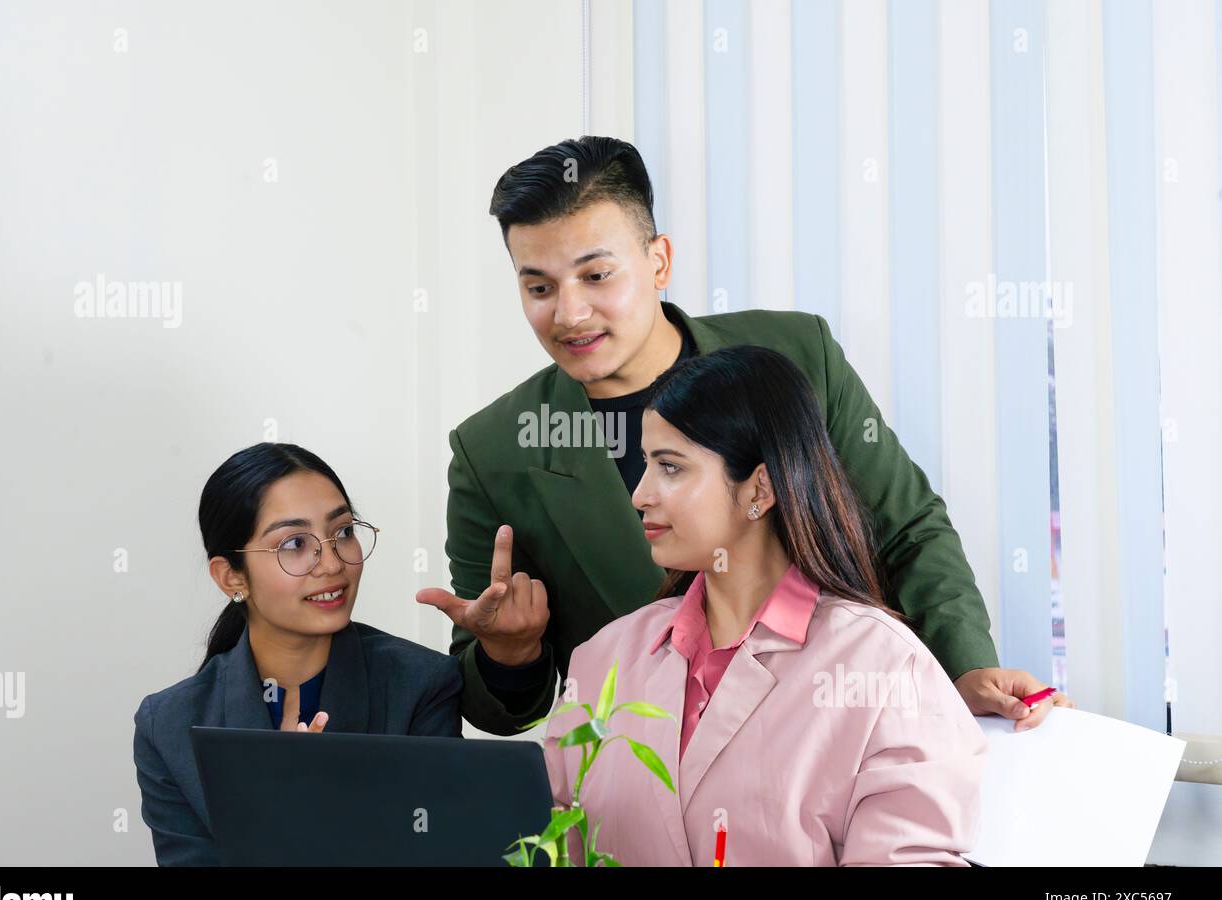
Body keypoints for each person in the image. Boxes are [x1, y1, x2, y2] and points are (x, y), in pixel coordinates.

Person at [417, 134, 1073, 737]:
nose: (569, 313)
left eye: (596, 275)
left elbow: (908, 529)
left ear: (658, 261)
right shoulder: (494, 452)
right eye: (539, 286)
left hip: (853, 744)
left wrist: (964, 667)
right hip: (665, 792)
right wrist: (511, 652)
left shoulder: (796, 353)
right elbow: (492, 703)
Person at [544, 346, 987, 866]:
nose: (640, 494)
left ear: (760, 487)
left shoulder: (885, 669)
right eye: (646, 464)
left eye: (670, 467)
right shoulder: (603, 660)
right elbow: (551, 840)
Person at [133, 443, 462, 866]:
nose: (331, 564)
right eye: (294, 544)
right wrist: (286, 817)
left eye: (343, 532)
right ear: (231, 576)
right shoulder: (170, 726)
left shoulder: (420, 685)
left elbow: (440, 851)